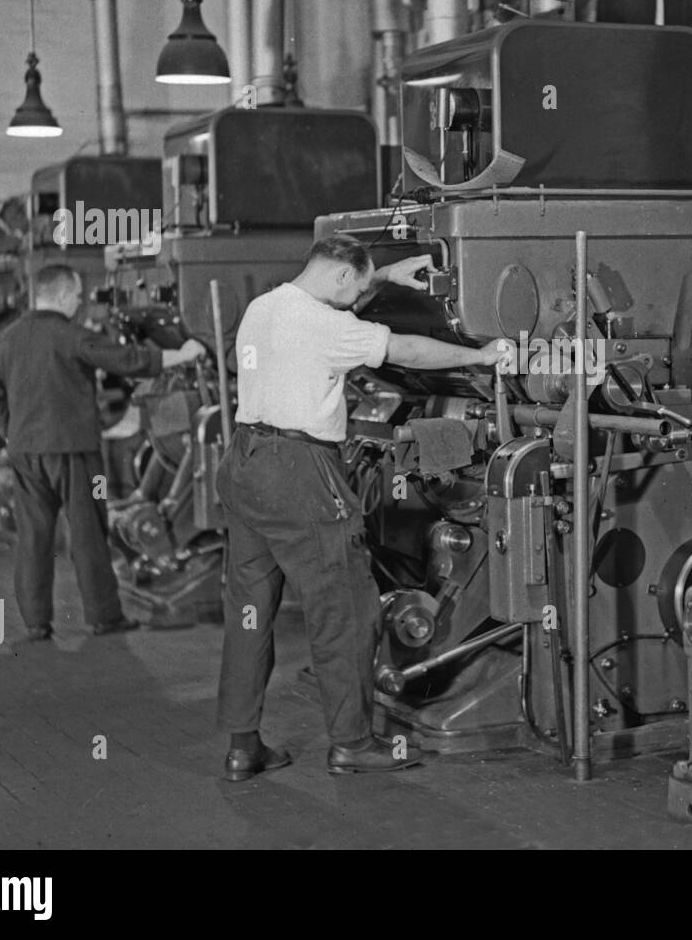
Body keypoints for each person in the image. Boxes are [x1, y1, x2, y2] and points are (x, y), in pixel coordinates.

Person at [217, 233, 513, 780]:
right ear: (337, 277)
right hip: (298, 472)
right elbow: (405, 349)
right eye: (355, 287)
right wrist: (481, 355)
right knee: (347, 610)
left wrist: (386, 275)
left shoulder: (267, 306)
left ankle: (242, 747)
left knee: (248, 609)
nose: (358, 298)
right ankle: (352, 744)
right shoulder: (328, 326)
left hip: (245, 462)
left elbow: (343, 290)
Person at [0, 265, 206, 641]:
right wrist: (182, 353)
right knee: (89, 530)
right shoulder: (73, 336)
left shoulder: (6, 340)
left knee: (32, 538)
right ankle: (104, 616)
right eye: (75, 294)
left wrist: (17, 436)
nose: (80, 301)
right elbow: (128, 360)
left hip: (25, 456)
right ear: (59, 295)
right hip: (77, 454)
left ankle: (36, 623)